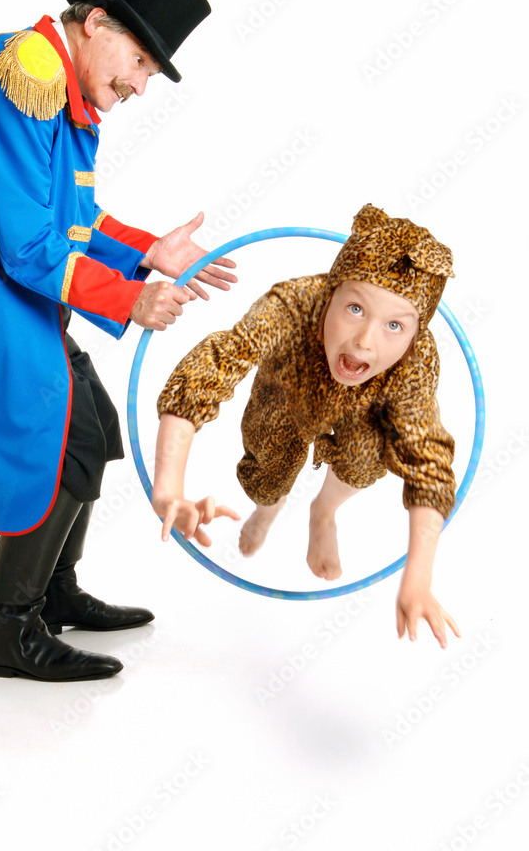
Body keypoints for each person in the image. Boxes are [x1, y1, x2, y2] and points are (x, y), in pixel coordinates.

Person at [0, 0, 236, 682]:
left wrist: (149, 252)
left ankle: (55, 592)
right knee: (64, 438)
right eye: (141, 60)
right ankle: (8, 628)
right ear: (98, 23)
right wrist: (131, 300)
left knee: (95, 427)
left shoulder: (67, 95)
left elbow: (72, 220)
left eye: (151, 70)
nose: (143, 85)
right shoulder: (27, 76)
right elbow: (27, 247)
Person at [152, 204, 461, 648]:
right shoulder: (294, 305)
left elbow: (426, 458)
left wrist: (418, 578)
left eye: (394, 325)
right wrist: (167, 489)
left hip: (364, 418)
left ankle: (324, 512)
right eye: (355, 308)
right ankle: (269, 506)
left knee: (364, 459)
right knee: (266, 476)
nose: (365, 340)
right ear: (330, 292)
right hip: (285, 398)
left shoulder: (416, 359)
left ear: (414, 332)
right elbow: (212, 368)